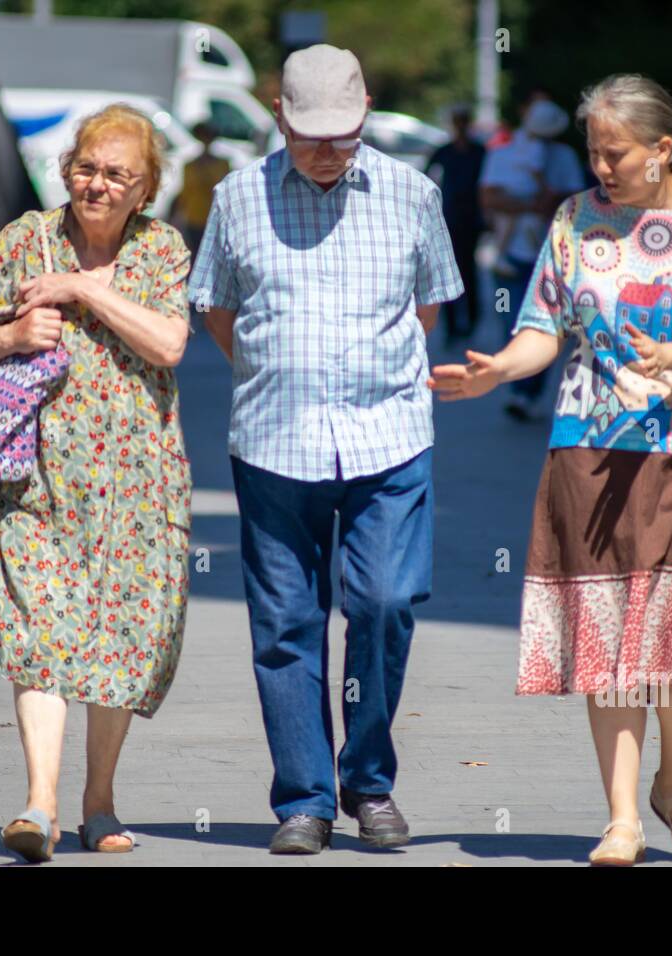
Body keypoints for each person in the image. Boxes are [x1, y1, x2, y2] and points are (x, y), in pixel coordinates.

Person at [431, 73, 672, 866]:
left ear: (664, 148)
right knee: (612, 635)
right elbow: (544, 326)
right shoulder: (574, 218)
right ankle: (622, 818)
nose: (600, 167)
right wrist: (498, 371)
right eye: (593, 152)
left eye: (615, 154)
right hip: (592, 446)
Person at [190, 44, 463, 855]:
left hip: (389, 436)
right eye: (308, 133)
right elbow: (217, 309)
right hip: (276, 439)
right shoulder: (239, 197)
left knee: (384, 602)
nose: (325, 149)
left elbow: (429, 307)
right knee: (285, 623)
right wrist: (278, 371)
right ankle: (303, 799)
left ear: (366, 112)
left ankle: (369, 782)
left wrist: (376, 377)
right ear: (278, 116)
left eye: (341, 134)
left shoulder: (414, 193)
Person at [0, 103, 194, 863]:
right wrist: (9, 335)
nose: (99, 186)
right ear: (66, 170)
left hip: (140, 490)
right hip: (37, 482)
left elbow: (169, 342)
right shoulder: (24, 239)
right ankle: (39, 805)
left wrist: (82, 291)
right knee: (40, 635)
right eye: (87, 168)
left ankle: (99, 802)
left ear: (145, 190)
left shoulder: (162, 250)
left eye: (119, 175)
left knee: (120, 644)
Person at [480, 95, 585, 422]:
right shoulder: (503, 153)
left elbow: (571, 200)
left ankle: (527, 391)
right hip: (508, 255)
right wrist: (528, 204)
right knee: (509, 320)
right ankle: (516, 385)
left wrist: (542, 194)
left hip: (549, 254)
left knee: (544, 325)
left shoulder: (564, 157)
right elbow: (488, 197)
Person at [426, 105, 487, 344]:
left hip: (472, 218)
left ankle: (471, 323)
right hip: (449, 217)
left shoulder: (480, 151)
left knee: (470, 272)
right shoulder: (444, 151)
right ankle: (451, 327)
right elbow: (426, 176)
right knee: (448, 271)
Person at [172, 121, 230, 260]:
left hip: (215, 218)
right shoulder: (189, 165)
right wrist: (178, 217)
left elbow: (225, 191)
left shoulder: (223, 164)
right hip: (194, 218)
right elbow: (185, 192)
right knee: (196, 255)